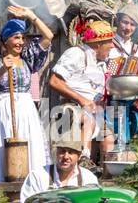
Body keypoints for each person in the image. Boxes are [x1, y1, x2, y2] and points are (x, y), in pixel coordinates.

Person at [0, 6, 53, 184]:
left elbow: (48, 37)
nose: (20, 42)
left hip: (26, 109)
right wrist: (3, 69)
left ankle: (34, 189)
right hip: (4, 108)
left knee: (31, 149)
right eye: (16, 37)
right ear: (6, 40)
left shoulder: (28, 57)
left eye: (22, 37)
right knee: (3, 152)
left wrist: (31, 15)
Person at [49, 19, 116, 162]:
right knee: (88, 120)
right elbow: (54, 81)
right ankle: (84, 159)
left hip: (94, 112)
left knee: (109, 139)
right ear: (98, 44)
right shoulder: (76, 54)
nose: (112, 45)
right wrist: (82, 99)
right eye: (109, 42)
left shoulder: (101, 64)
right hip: (72, 108)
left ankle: (105, 176)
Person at [17, 134, 100, 203]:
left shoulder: (89, 178)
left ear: (79, 156)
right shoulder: (38, 176)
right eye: (62, 151)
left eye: (70, 152)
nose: (66, 157)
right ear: (56, 152)